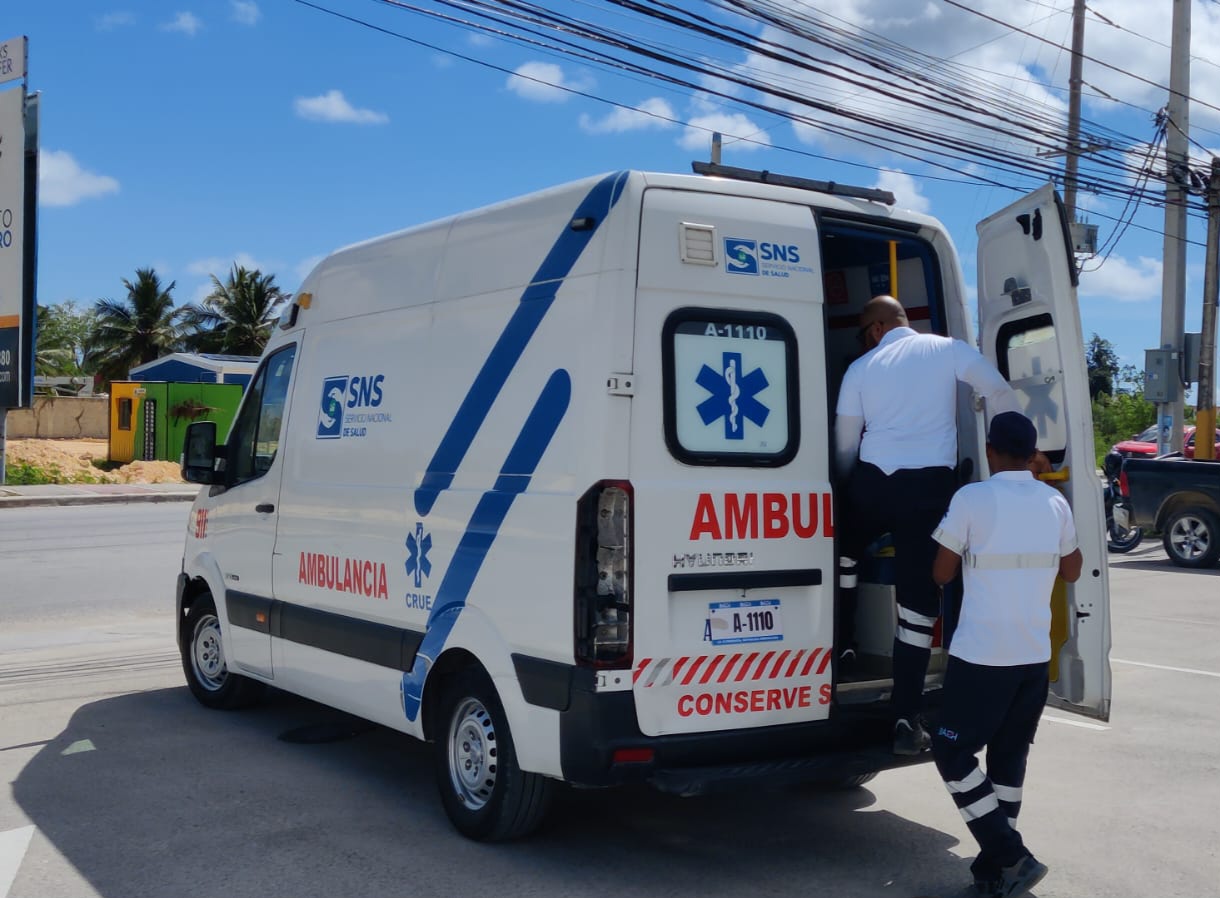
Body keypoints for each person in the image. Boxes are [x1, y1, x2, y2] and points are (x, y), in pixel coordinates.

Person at [834, 294, 1021, 755]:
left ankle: (843, 643)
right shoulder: (948, 349)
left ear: (876, 329)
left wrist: (844, 492)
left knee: (845, 550)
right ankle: (905, 717)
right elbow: (998, 391)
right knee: (917, 606)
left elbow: (844, 444)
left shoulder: (860, 368)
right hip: (927, 490)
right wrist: (1008, 453)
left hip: (874, 483)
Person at [930, 411, 1083, 898]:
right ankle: (995, 872)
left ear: (992, 451)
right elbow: (1074, 570)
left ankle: (1010, 854)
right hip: (1032, 653)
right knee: (1009, 757)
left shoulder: (972, 497)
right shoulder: (1054, 501)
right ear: (1033, 452)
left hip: (982, 654)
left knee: (952, 750)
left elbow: (942, 572)